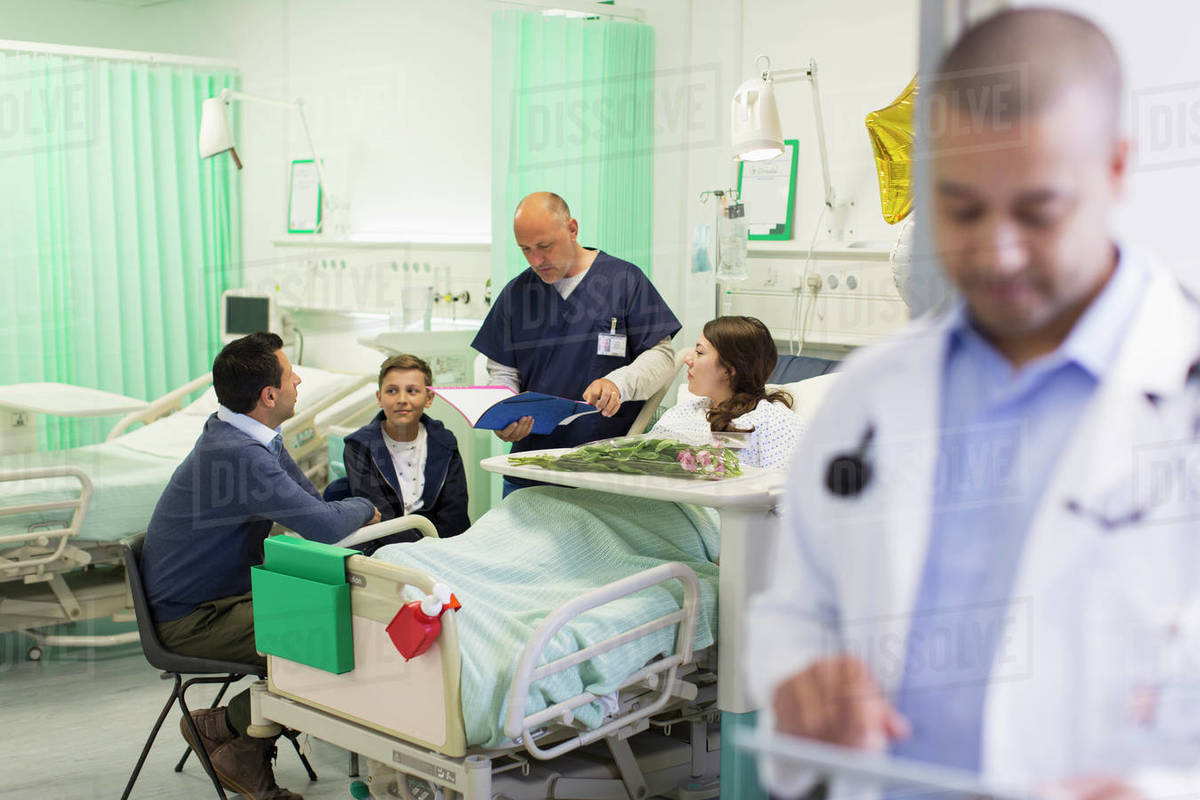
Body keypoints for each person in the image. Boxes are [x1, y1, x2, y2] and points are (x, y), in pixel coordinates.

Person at [747, 8, 1200, 800]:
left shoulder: (1179, 394)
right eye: (962, 208)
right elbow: (796, 608)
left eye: (1038, 210)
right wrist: (799, 682)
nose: (998, 251)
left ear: (1117, 168)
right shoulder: (870, 396)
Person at [141, 332, 379, 800]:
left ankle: (226, 730)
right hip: (191, 619)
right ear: (269, 395)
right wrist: (365, 506)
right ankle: (231, 734)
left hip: (216, 599)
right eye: (291, 375)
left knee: (330, 619)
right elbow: (324, 526)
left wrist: (340, 512)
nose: (298, 381)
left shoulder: (244, 435)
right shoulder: (239, 454)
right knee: (329, 636)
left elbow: (311, 508)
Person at [472, 191, 681, 492]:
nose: (536, 260)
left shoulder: (624, 281)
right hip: (532, 469)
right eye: (526, 250)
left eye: (544, 246)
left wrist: (618, 384)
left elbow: (661, 357)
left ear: (572, 228)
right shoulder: (516, 294)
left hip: (604, 469)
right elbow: (503, 373)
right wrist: (504, 414)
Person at [338, 354, 470, 552]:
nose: (402, 399)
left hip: (438, 546)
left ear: (429, 398)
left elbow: (454, 513)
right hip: (382, 547)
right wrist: (418, 551)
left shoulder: (444, 444)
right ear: (379, 398)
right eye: (392, 391)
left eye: (412, 391)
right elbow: (378, 516)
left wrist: (443, 553)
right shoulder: (360, 447)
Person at [651, 316, 804, 470]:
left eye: (699, 352)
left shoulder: (774, 422)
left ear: (728, 371)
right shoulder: (681, 412)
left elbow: (786, 487)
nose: (688, 359)